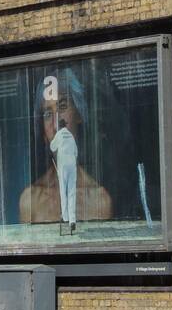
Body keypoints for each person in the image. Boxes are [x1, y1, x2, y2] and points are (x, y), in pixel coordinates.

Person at [19, 72, 112, 230]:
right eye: (48, 114)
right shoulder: (30, 200)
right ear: (43, 130)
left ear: (79, 114)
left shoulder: (99, 200)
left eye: (62, 107)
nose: (56, 123)